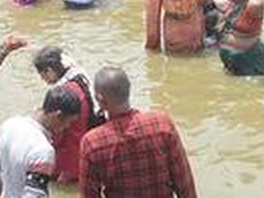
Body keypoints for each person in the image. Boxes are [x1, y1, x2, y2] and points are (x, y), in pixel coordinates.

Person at [78, 66, 197, 198]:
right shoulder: (162, 124)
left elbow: (89, 194)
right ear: (128, 90)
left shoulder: (92, 142)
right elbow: (184, 183)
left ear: (100, 99)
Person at [0, 84, 81, 197]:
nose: (67, 126)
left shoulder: (9, 125)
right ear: (58, 115)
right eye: (69, 122)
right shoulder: (43, 151)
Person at [32, 46, 98, 184]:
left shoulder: (66, 95)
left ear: (49, 71)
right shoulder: (79, 77)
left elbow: (62, 134)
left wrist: (66, 171)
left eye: (42, 75)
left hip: (71, 155)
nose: (43, 79)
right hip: (85, 145)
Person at [217, 0, 264, 77]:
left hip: (249, 58)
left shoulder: (253, 7)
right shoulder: (235, 1)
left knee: (252, 89)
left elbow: (257, 3)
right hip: (232, 57)